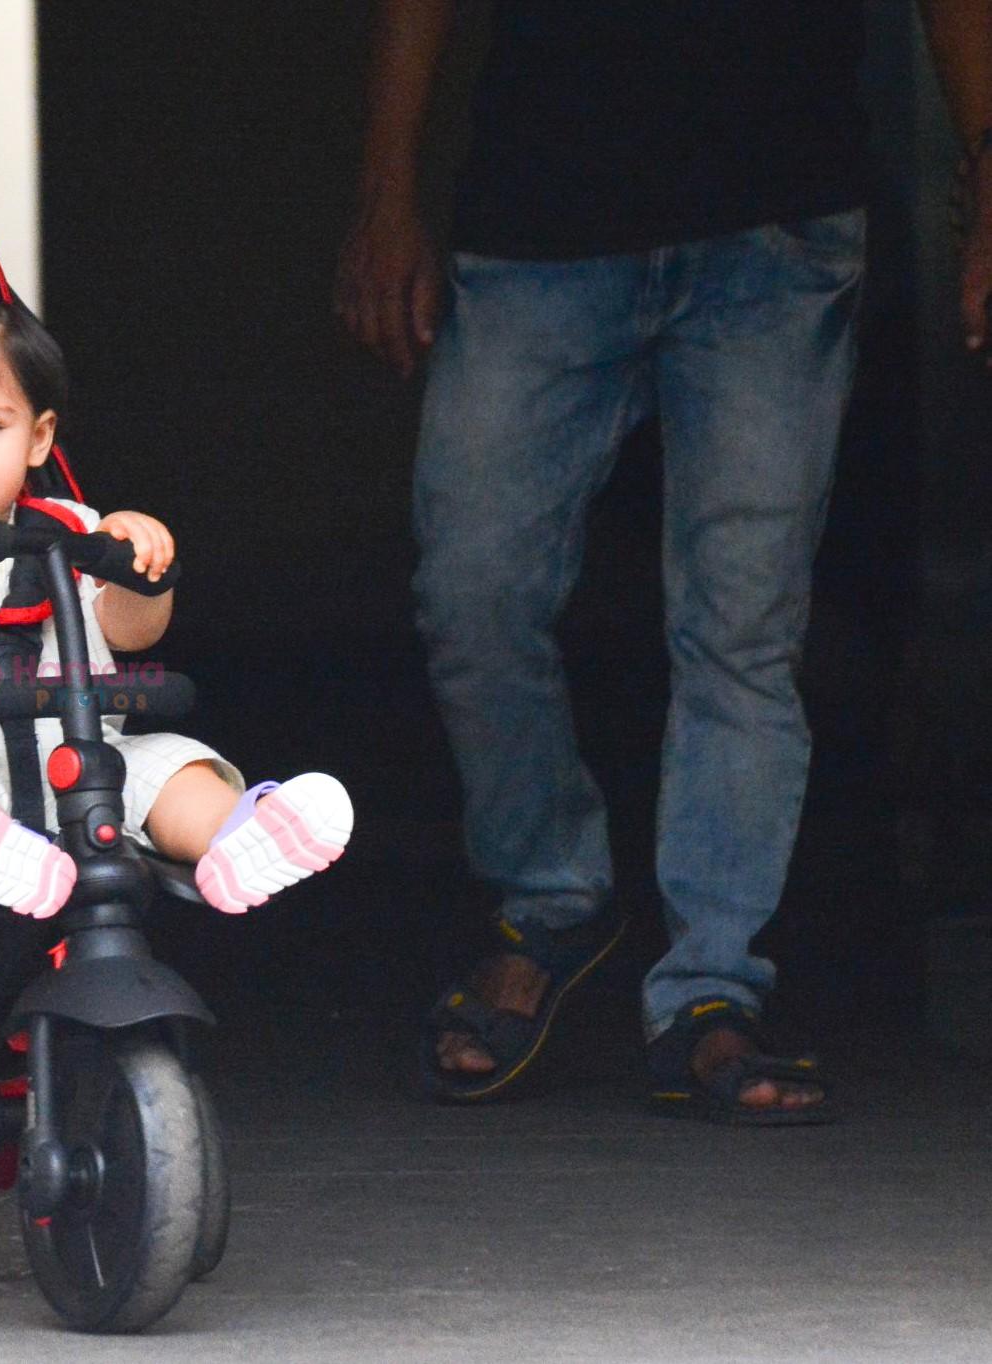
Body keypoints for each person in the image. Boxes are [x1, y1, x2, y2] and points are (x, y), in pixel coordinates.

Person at [335, 0, 992, 1123]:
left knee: (743, 628)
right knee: (473, 590)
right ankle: (550, 898)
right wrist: (387, 189)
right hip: (540, 211)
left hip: (779, 217)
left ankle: (712, 985)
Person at [0, 280, 355, 917]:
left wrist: (138, 571)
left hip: (78, 763)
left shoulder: (72, 530)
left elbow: (130, 635)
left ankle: (240, 839)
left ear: (38, 438)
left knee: (171, 767)